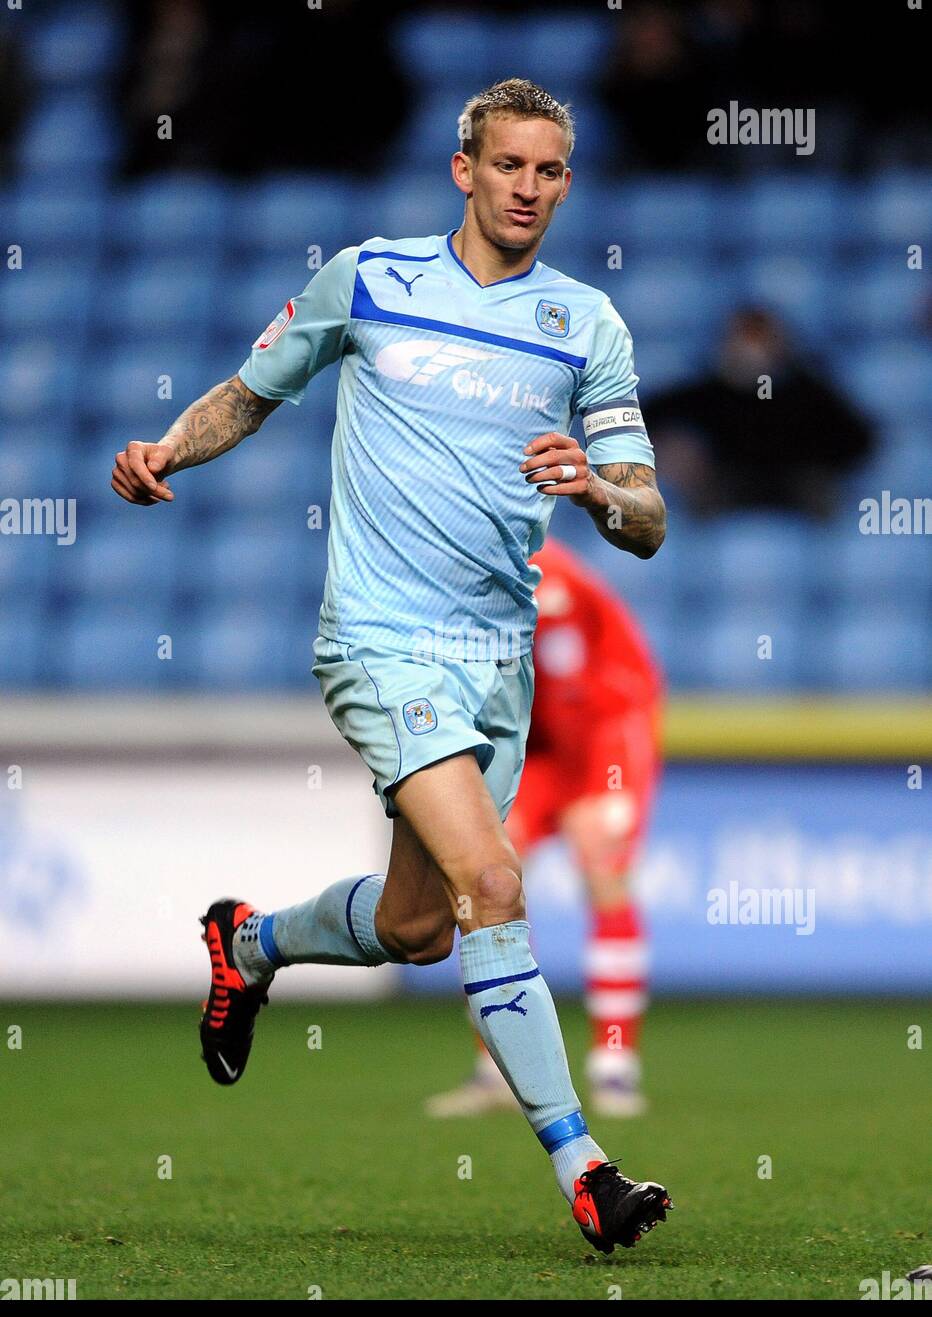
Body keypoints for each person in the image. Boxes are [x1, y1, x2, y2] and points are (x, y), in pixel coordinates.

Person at [112, 78, 672, 1255]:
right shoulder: (368, 278)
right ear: (462, 170)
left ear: (566, 183)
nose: (528, 188)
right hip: (377, 639)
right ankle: (587, 1169)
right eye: (508, 165)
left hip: (491, 658)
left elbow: (649, 519)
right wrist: (167, 447)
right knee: (499, 886)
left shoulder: (588, 327)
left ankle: (248, 944)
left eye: (550, 171)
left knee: (423, 925)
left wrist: (597, 488)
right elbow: (250, 394)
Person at [427, 536, 663, 1121]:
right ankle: (496, 1072)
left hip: (604, 730)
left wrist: (602, 791)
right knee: (486, 881)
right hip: (539, 743)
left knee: (604, 867)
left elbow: (575, 684)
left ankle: (614, 1071)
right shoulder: (466, 575)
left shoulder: (540, 576)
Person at [647, 306, 874, 517]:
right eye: (744, 339)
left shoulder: (808, 392)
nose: (751, 351)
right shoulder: (704, 392)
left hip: (796, 489)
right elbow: (642, 420)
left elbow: (859, 439)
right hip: (724, 488)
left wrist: (821, 459)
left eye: (759, 340)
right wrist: (673, 454)